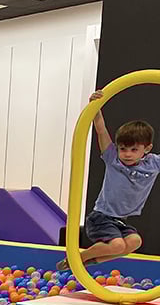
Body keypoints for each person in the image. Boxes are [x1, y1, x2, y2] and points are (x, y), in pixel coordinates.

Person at [57, 90, 160, 271]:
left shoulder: (153, 164)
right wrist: (95, 108)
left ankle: (91, 261)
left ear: (147, 148)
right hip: (101, 217)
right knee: (118, 246)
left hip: (120, 220)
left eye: (134, 149)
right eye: (123, 149)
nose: (127, 154)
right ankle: (77, 259)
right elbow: (101, 130)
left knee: (134, 242)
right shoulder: (113, 159)